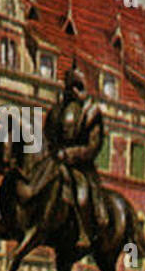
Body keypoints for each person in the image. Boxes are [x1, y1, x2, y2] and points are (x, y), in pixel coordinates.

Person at [24, 64, 107, 249]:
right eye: (70, 87)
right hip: (55, 159)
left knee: (82, 192)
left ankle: (84, 232)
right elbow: (48, 133)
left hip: (80, 166)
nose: (73, 92)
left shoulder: (91, 113)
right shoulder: (58, 110)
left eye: (77, 87)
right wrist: (51, 151)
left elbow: (93, 146)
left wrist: (70, 154)